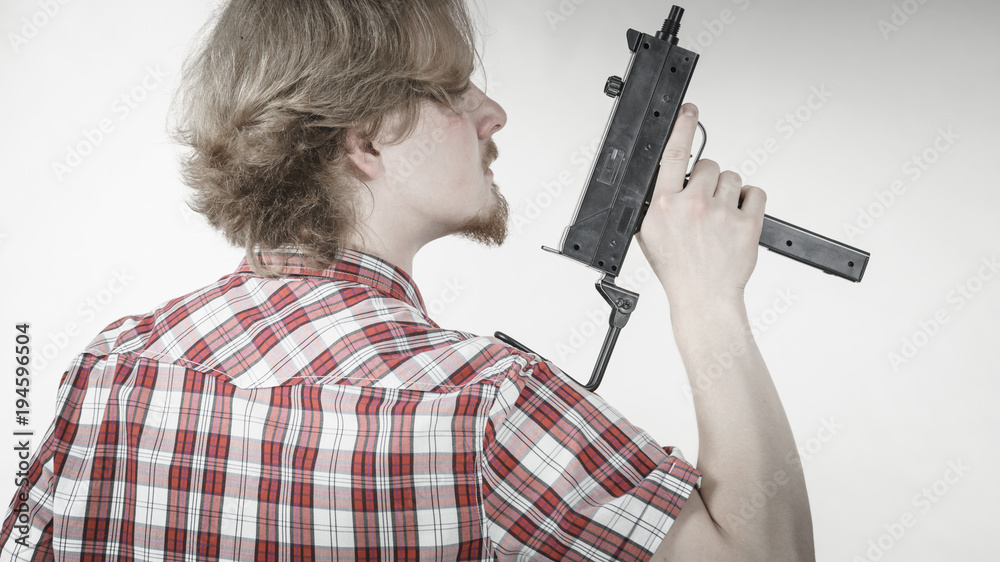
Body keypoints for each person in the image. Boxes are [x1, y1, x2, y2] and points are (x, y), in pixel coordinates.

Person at [0, 0, 814, 560]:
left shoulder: (112, 367)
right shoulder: (484, 406)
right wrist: (708, 296)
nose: (492, 113)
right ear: (365, 140)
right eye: (454, 90)